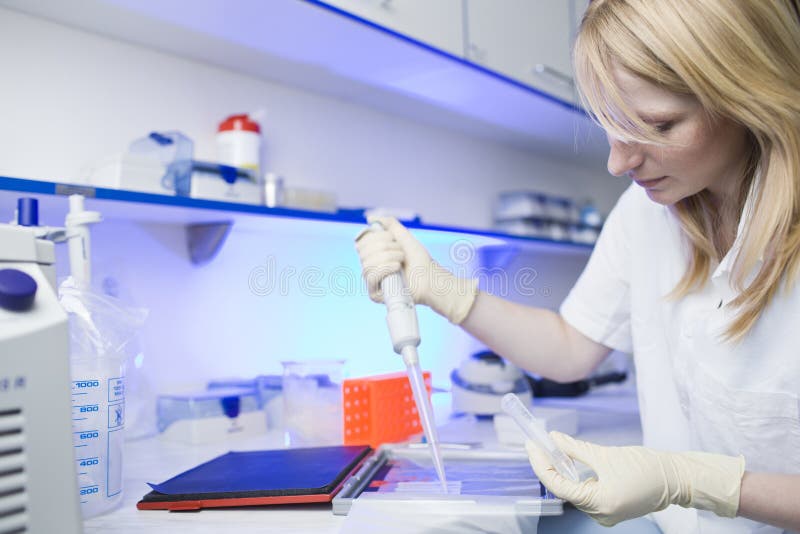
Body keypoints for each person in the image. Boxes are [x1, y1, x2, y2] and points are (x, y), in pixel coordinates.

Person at [355, 0, 800, 532]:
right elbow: (570, 349)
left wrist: (695, 482)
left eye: (656, 125)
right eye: (610, 124)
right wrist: (441, 289)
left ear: (747, 91)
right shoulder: (646, 212)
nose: (618, 162)